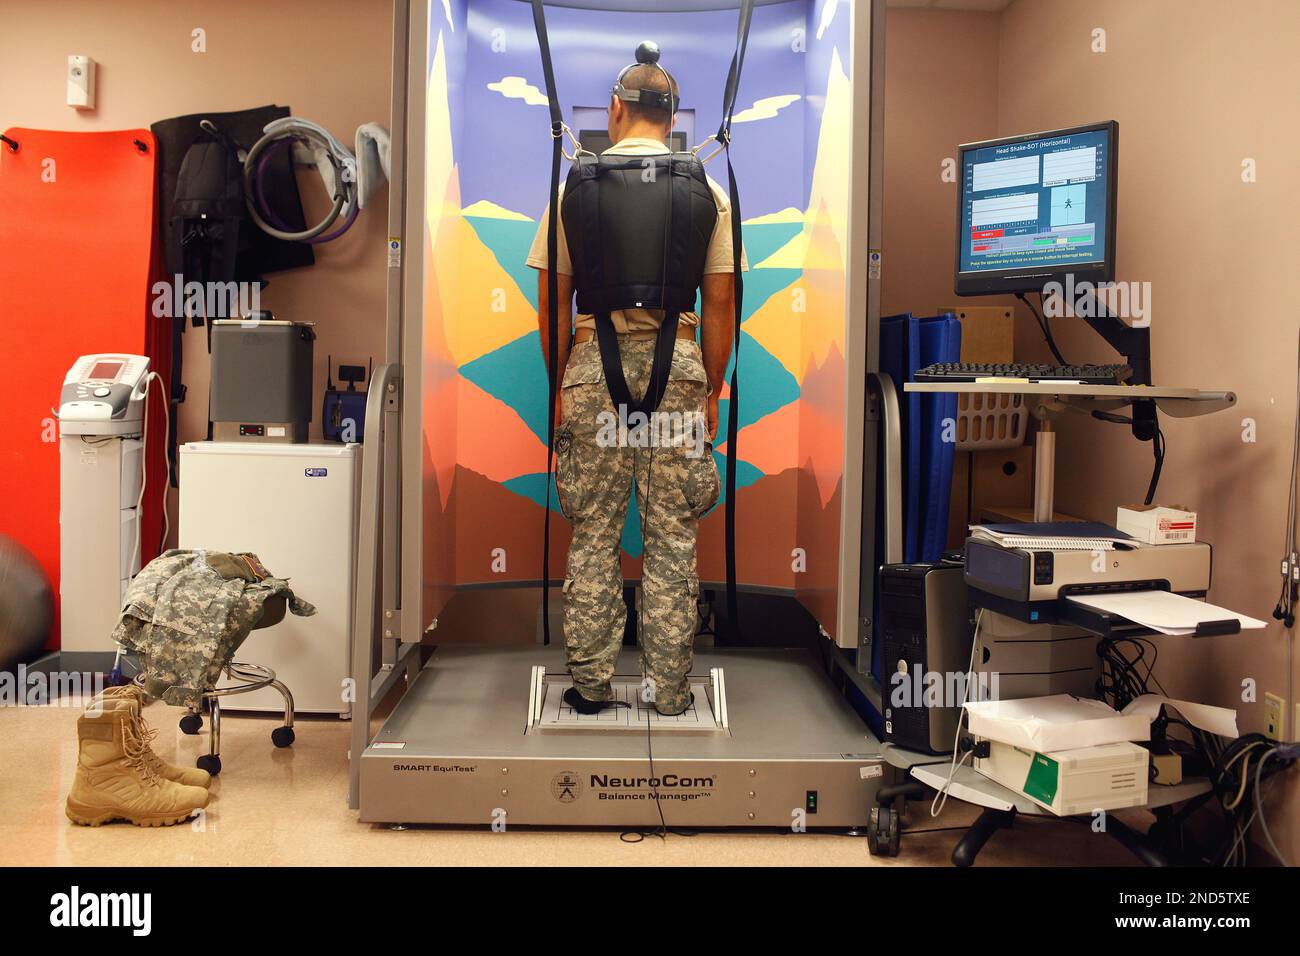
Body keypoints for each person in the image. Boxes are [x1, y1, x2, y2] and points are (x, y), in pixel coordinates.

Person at [526, 44, 745, 716]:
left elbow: (552, 300)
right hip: (680, 370)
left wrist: (563, 382)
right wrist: (710, 389)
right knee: (672, 536)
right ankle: (671, 692)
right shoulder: (705, 191)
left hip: (593, 365)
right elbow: (721, 302)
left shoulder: (576, 189)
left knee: (592, 532)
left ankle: (590, 688)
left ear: (617, 110)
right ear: (672, 116)